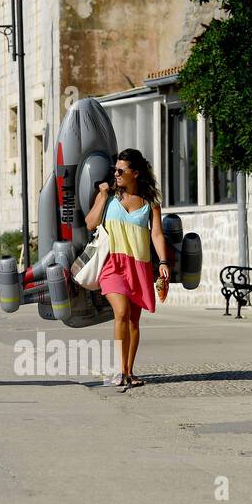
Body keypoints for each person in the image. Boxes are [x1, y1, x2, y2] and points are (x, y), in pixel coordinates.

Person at [85, 148, 169, 391]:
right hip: (113, 264)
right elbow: (90, 223)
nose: (117, 174)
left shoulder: (150, 203)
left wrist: (163, 262)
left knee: (133, 321)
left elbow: (156, 234)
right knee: (121, 313)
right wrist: (101, 196)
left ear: (136, 173)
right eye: (115, 170)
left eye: (121, 170)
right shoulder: (109, 196)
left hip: (139, 265)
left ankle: (129, 371)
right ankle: (121, 371)